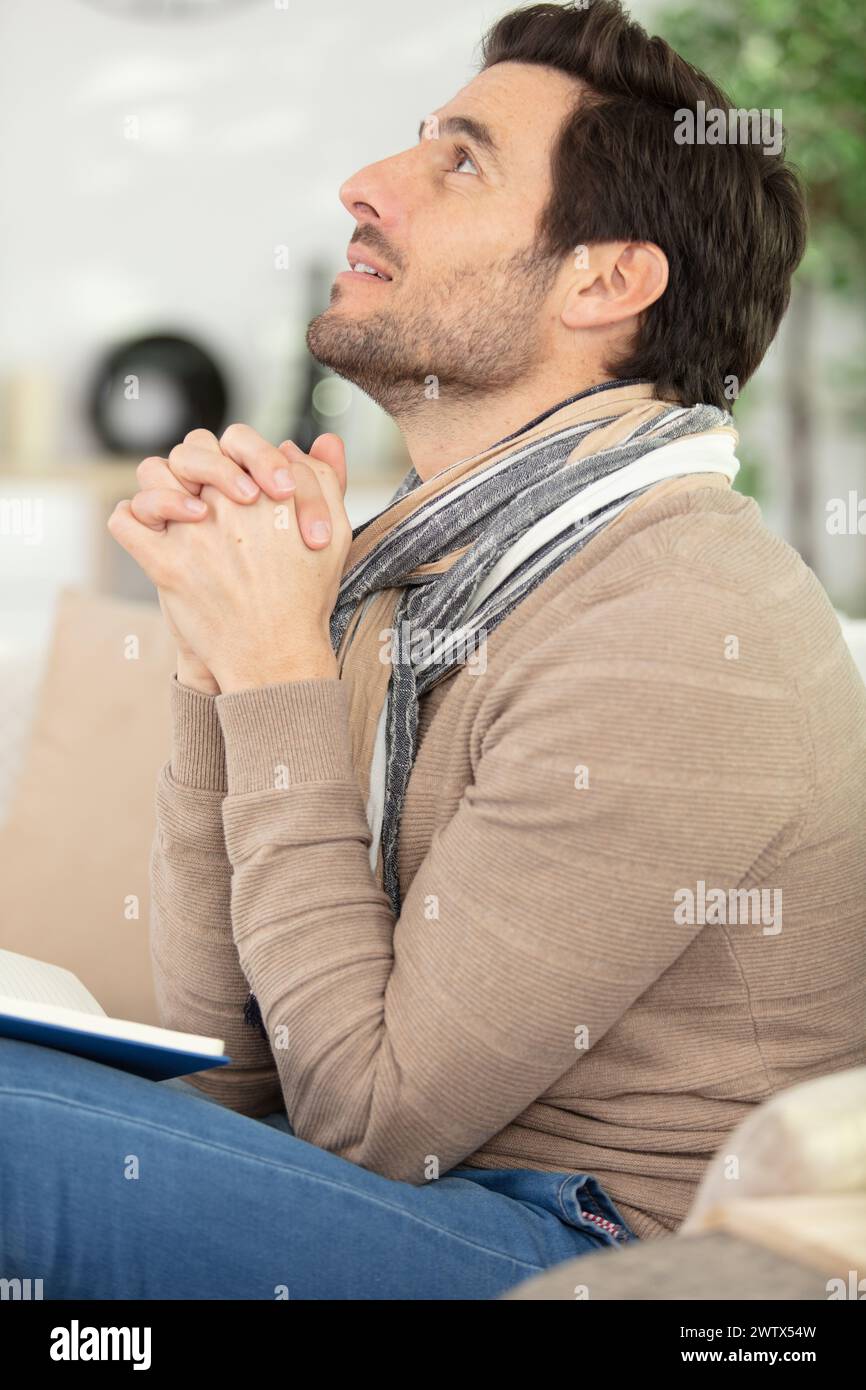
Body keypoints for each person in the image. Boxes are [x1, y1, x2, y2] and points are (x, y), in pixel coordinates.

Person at [4, 1, 864, 1301]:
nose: (366, 185)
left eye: (459, 160)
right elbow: (230, 1058)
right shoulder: (416, 570)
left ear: (605, 280)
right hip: (419, 1195)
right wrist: (218, 654)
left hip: (578, 1242)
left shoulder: (679, 625)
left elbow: (372, 1116)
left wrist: (278, 669)